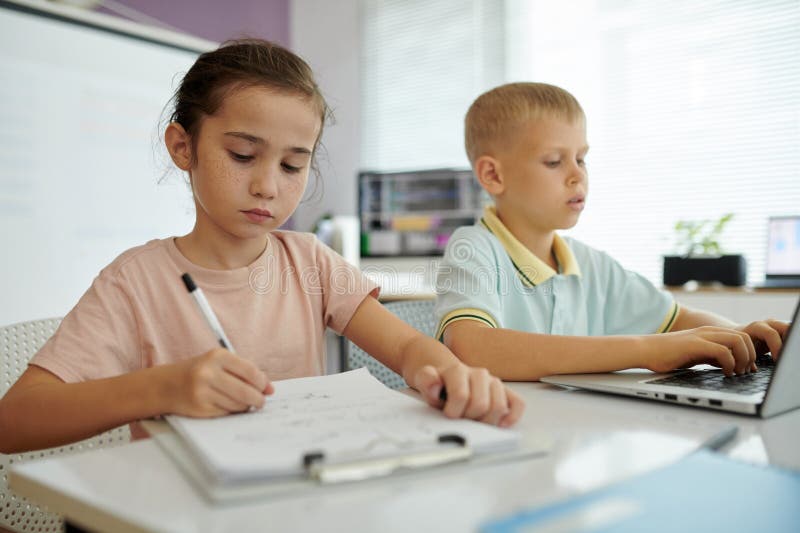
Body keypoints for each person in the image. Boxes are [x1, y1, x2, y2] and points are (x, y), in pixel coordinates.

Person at [0, 40, 523, 454]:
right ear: (183, 147)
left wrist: (447, 373)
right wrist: (163, 389)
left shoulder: (310, 261)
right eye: (243, 154)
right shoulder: (134, 283)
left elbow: (408, 348)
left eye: (293, 165)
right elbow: (14, 421)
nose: (269, 186)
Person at [435, 82, 789, 381]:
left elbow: (678, 319)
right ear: (494, 176)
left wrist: (741, 336)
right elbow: (472, 347)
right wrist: (645, 350)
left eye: (581, 158)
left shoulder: (591, 266)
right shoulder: (474, 248)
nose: (577, 175)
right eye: (554, 161)